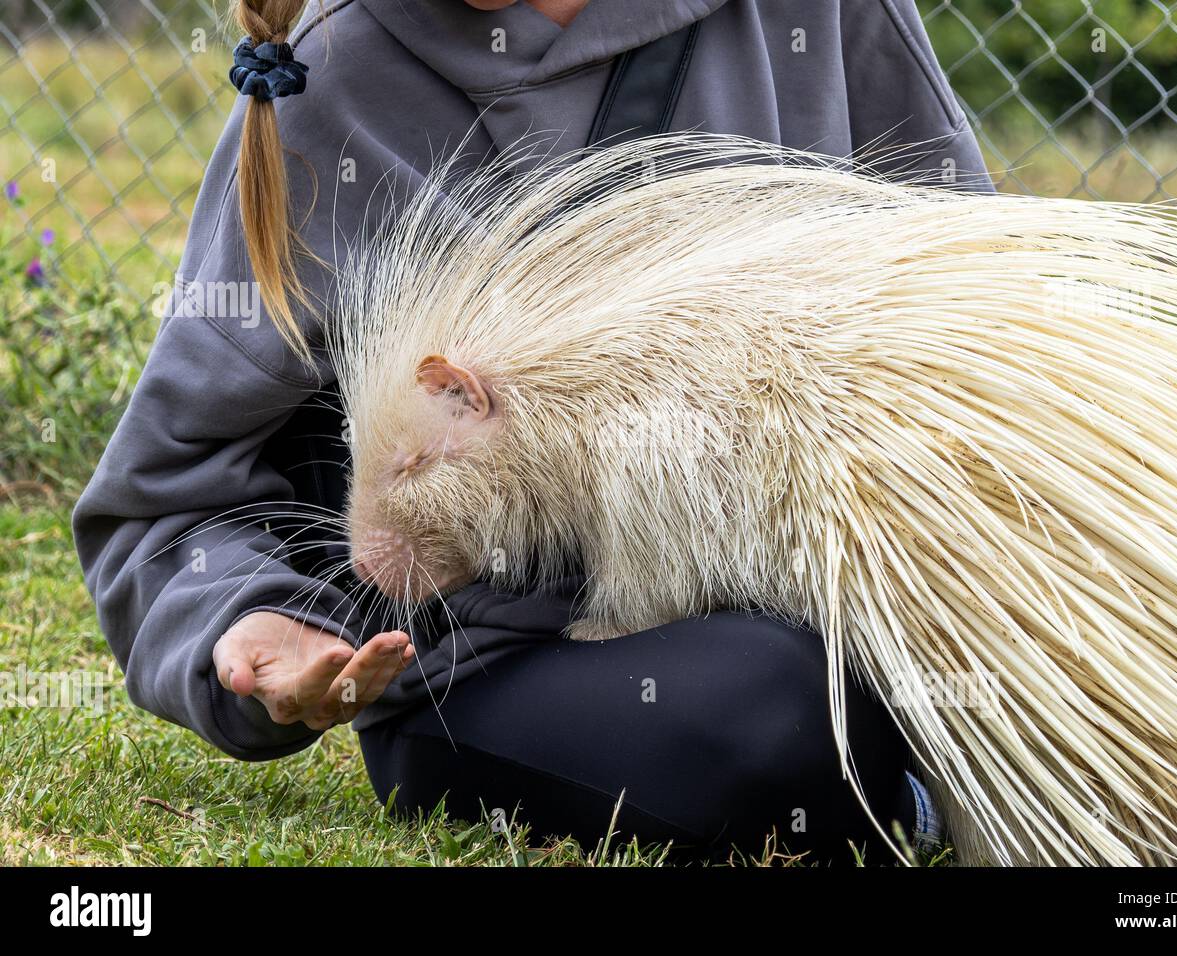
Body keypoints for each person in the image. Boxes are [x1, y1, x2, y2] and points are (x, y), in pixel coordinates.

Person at [73, 0, 990, 861]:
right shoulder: (328, 74)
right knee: (773, 717)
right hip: (510, 659)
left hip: (851, 584)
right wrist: (254, 619)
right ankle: (904, 790)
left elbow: (970, 301)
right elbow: (165, 497)